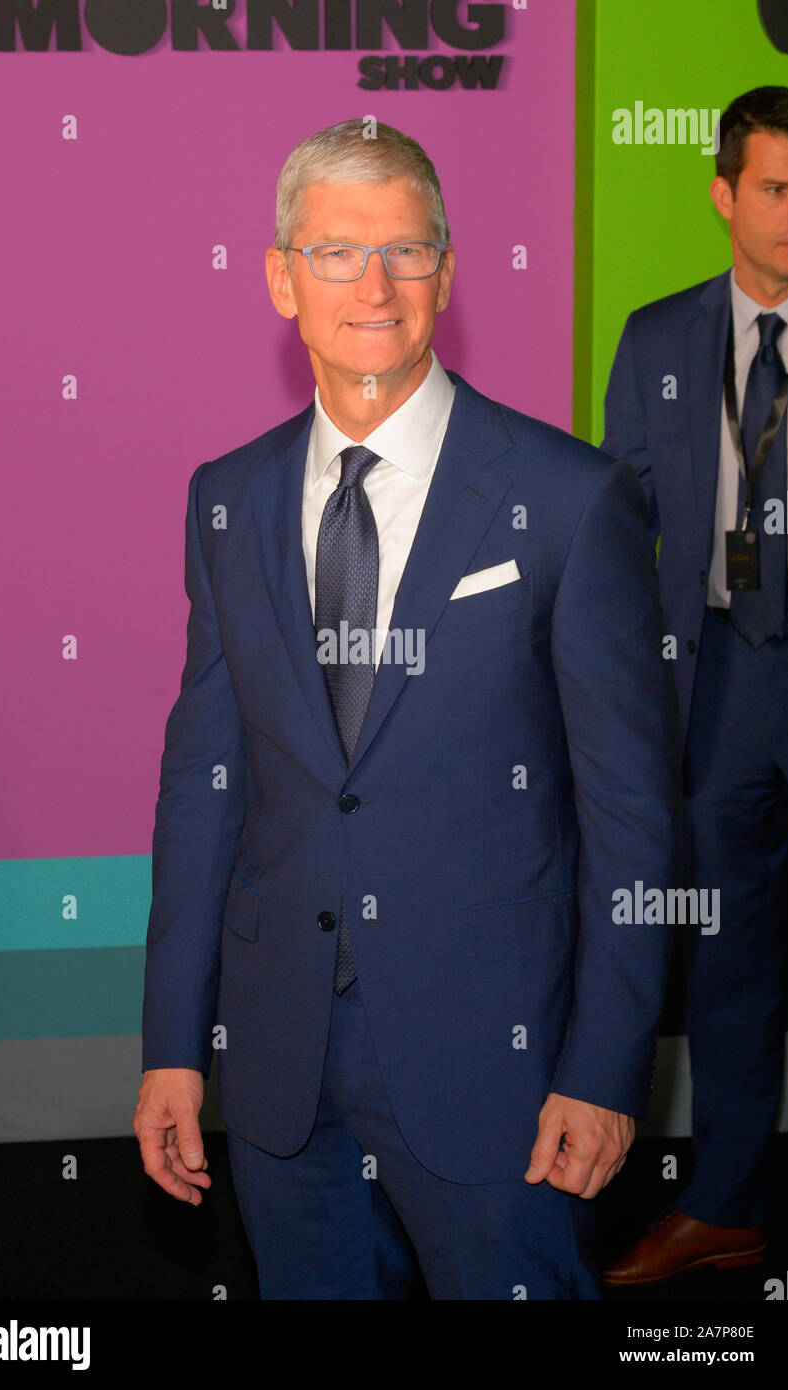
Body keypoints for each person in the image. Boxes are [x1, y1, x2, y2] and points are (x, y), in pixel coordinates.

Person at [134, 118, 681, 1300]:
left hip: (504, 1069)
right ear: (282, 276)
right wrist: (175, 1044)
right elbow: (204, 787)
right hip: (280, 1061)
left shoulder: (570, 499)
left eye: (407, 250)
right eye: (335, 252)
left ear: (447, 269)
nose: (372, 285)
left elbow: (634, 813)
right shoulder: (226, 498)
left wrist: (604, 1066)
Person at [600, 86, 788, 1286]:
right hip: (719, 685)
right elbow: (621, 543)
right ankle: (725, 1202)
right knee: (728, 963)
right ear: (724, 194)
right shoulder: (657, 339)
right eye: (776, 189)